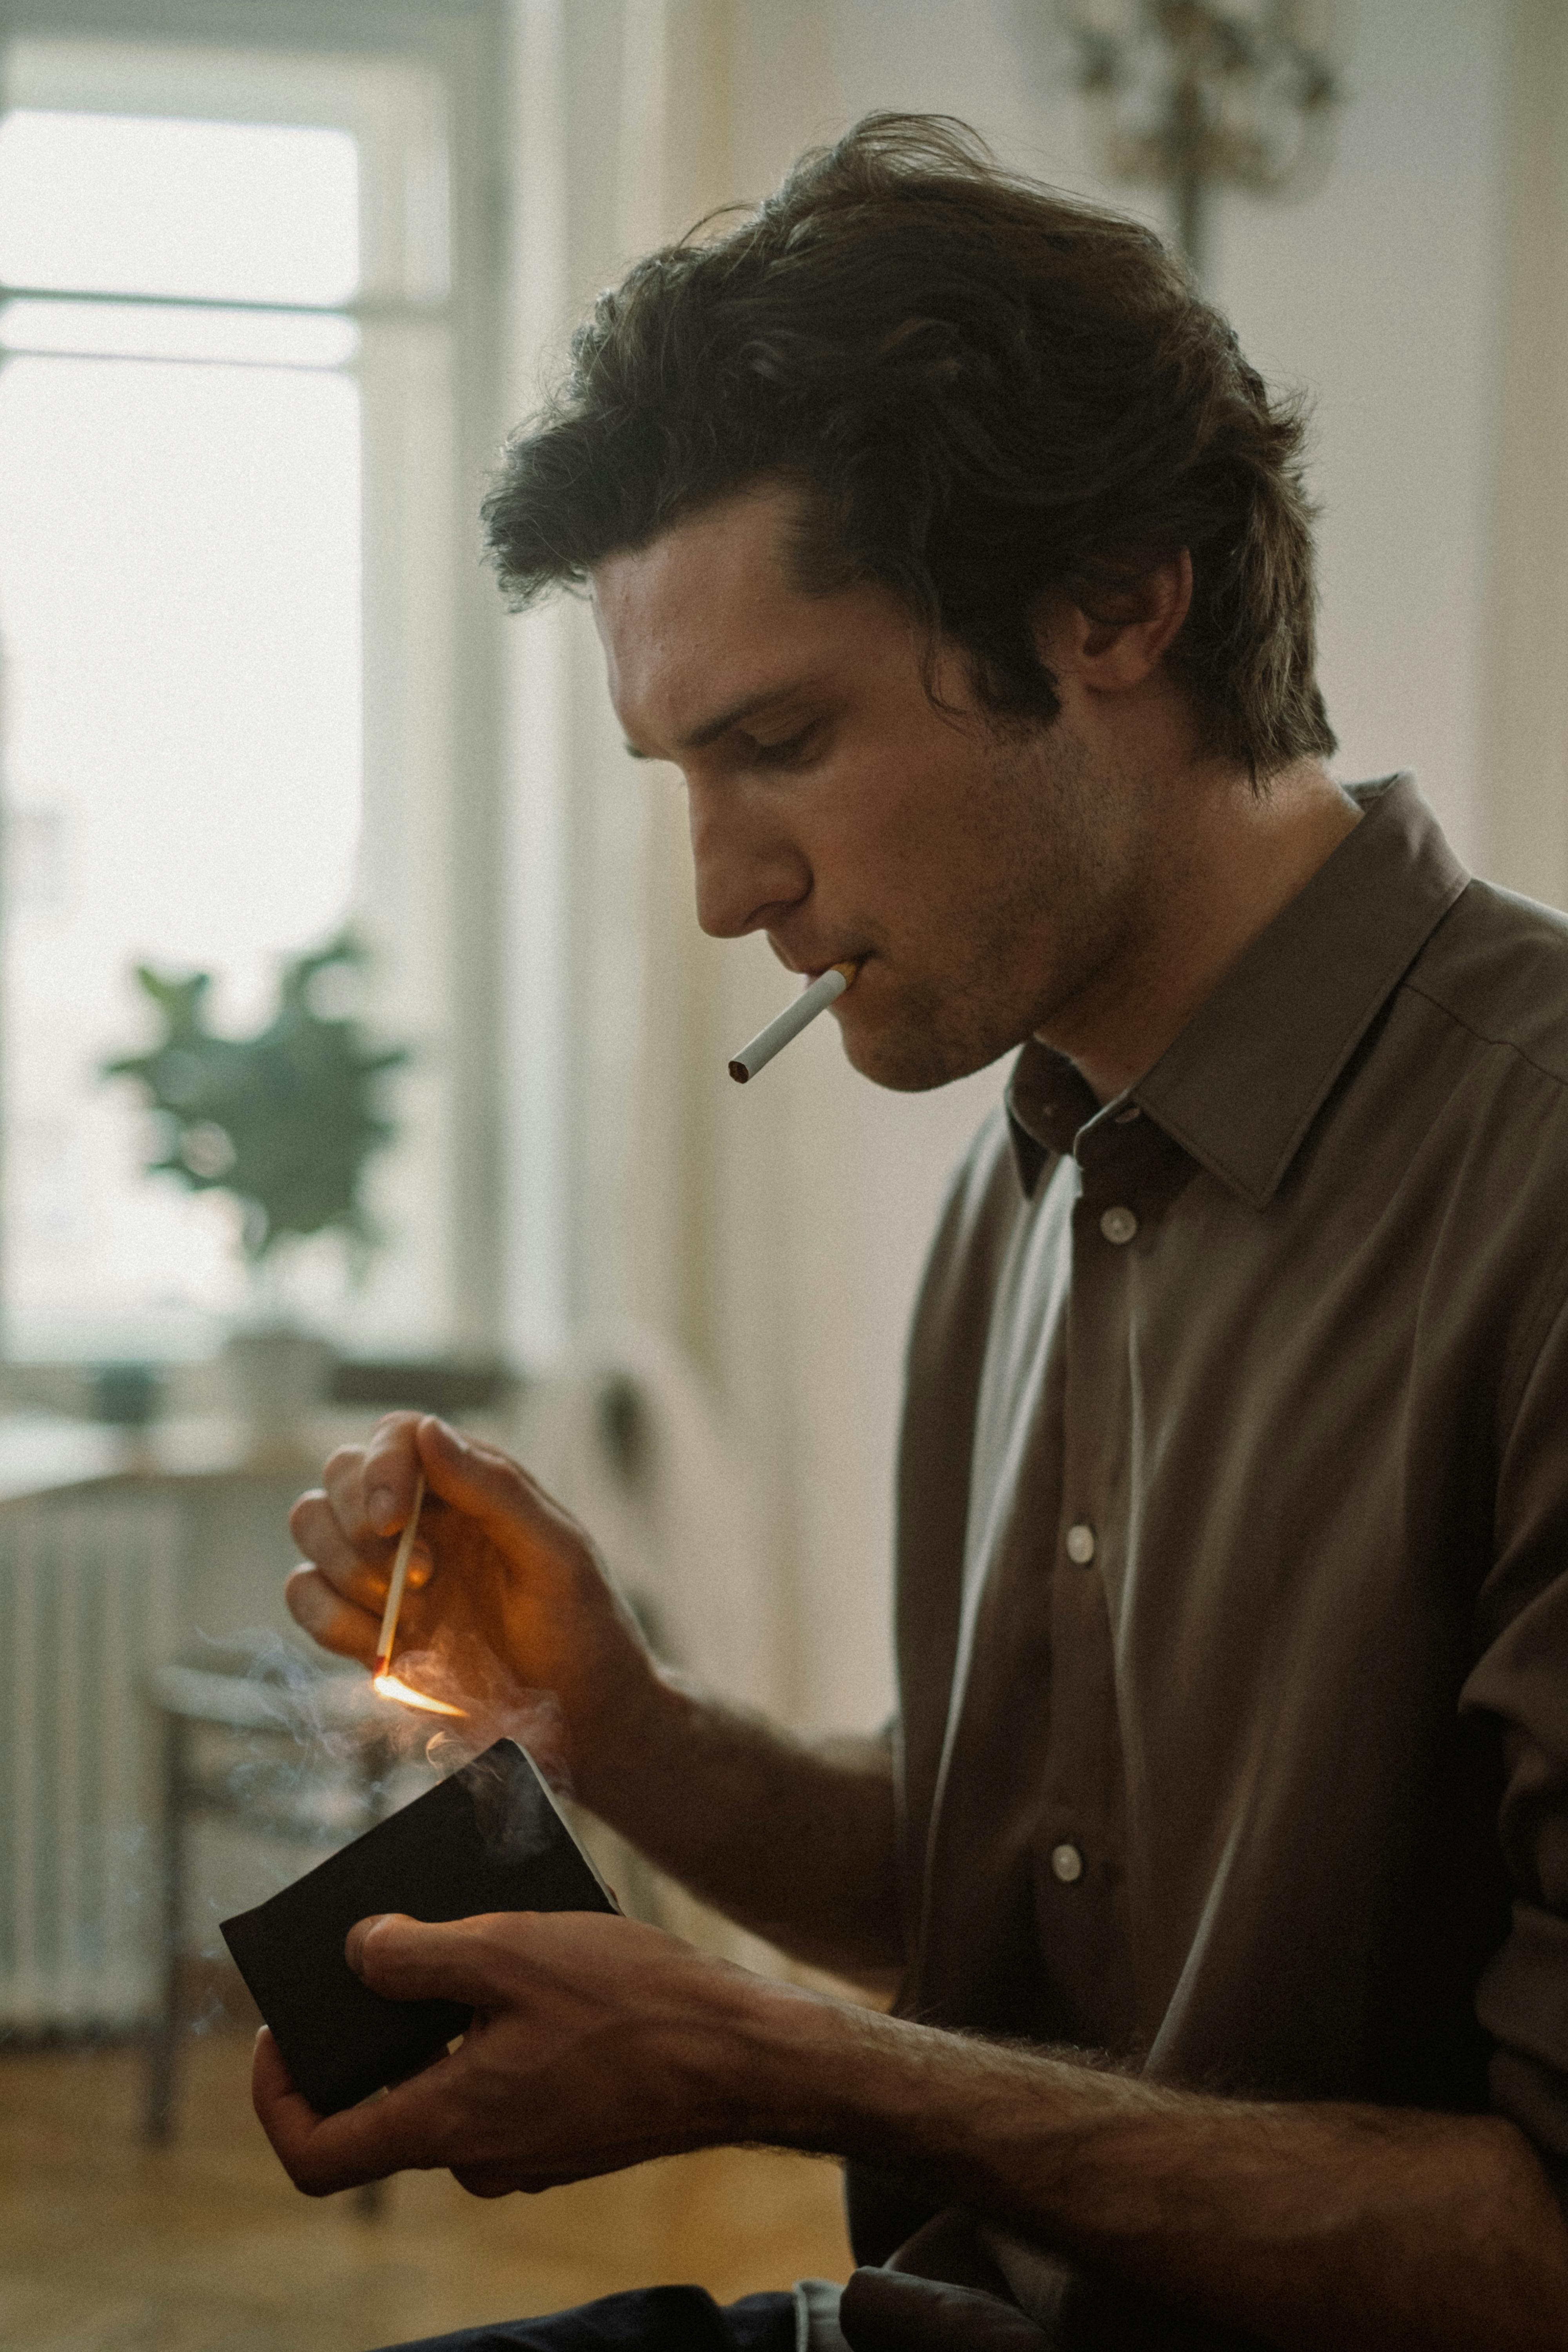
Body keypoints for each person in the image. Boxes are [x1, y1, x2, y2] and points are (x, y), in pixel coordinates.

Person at [260, 115, 1568, 2349]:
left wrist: (765, 2063)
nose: (720, 889)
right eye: (681, 772)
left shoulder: (1531, 1179)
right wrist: (624, 1725)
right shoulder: (1034, 1151)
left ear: (1118, 604)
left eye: (778, 740)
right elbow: (1029, 1898)